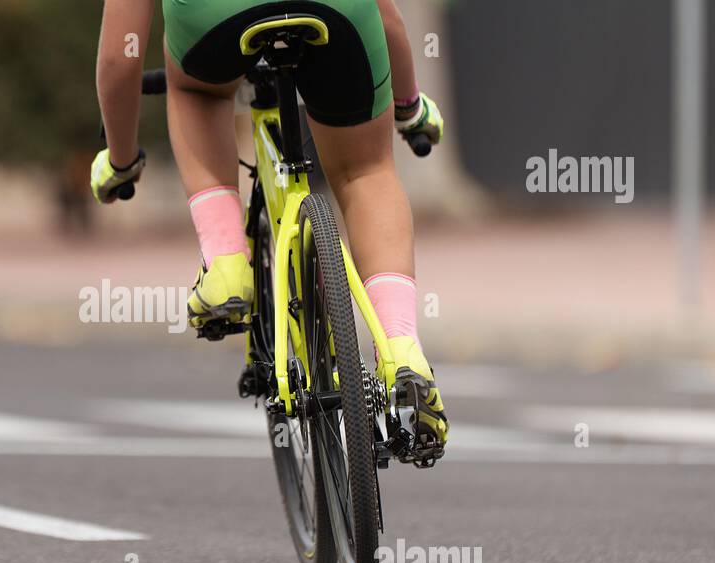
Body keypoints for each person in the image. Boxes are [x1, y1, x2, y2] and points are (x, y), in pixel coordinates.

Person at [90, 0, 447, 447]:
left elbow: (118, 60)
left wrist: (121, 159)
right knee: (366, 173)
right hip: (337, 12)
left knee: (197, 91)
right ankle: (401, 350)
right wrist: (410, 107)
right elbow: (389, 18)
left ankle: (225, 265)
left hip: (215, 20)